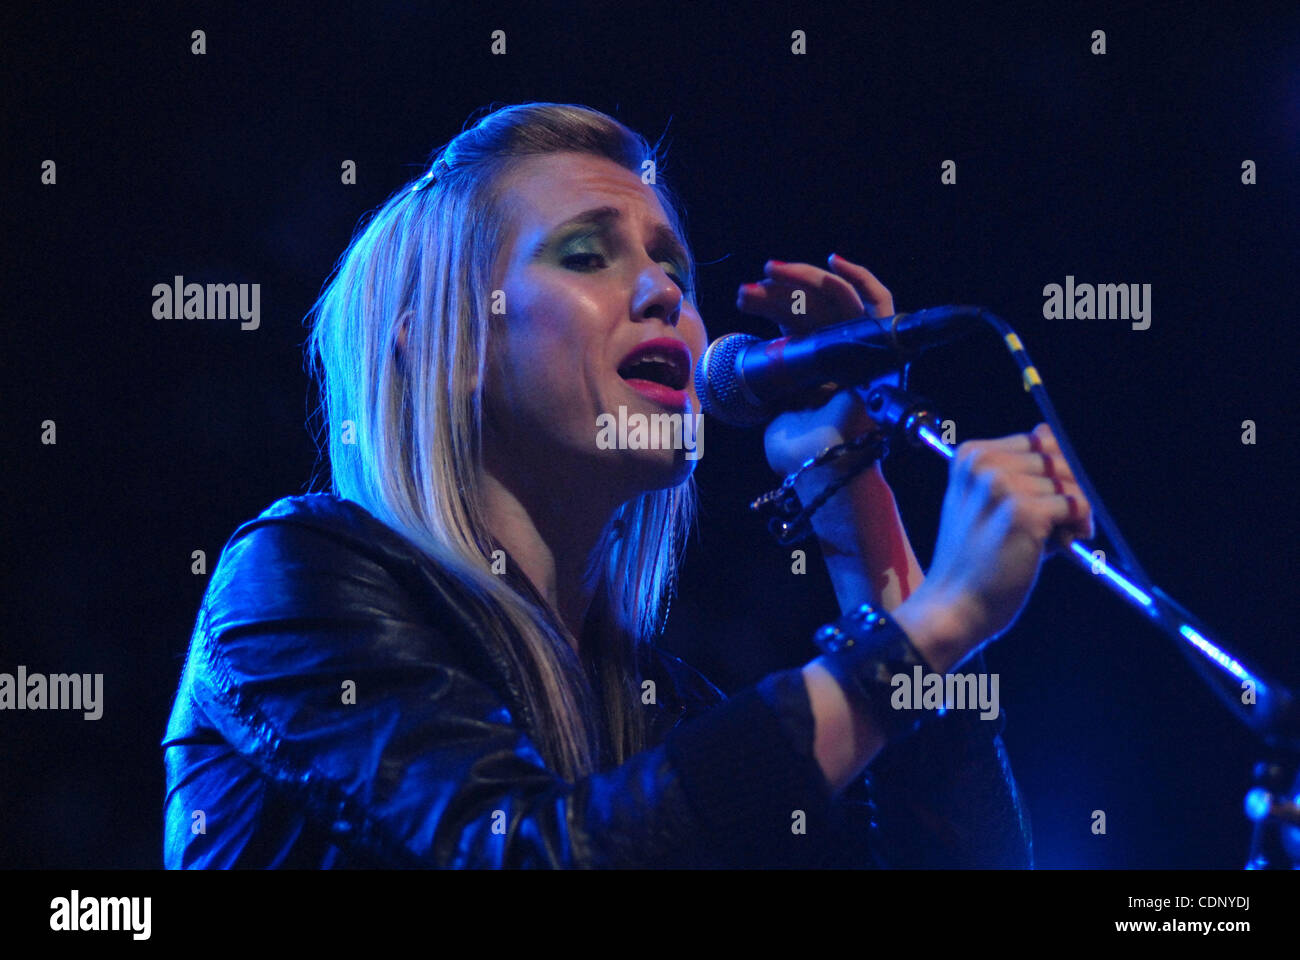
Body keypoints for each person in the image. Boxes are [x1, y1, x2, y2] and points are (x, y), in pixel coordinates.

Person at [162, 102, 1092, 868]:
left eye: (672, 266)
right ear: (445, 346)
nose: (665, 296)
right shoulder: (296, 584)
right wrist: (939, 624)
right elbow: (532, 856)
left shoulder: (662, 711)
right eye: (585, 254)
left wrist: (851, 486)